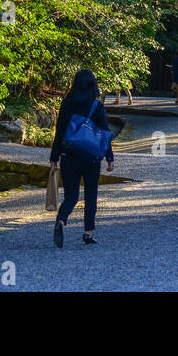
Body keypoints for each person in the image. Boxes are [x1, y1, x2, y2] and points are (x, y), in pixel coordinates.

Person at [50, 69, 114, 247]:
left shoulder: (66, 104)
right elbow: (104, 133)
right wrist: (110, 157)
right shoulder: (96, 106)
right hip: (91, 157)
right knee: (91, 195)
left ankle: (61, 221)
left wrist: (54, 156)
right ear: (93, 85)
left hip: (69, 156)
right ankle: (88, 233)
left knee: (71, 197)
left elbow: (60, 132)